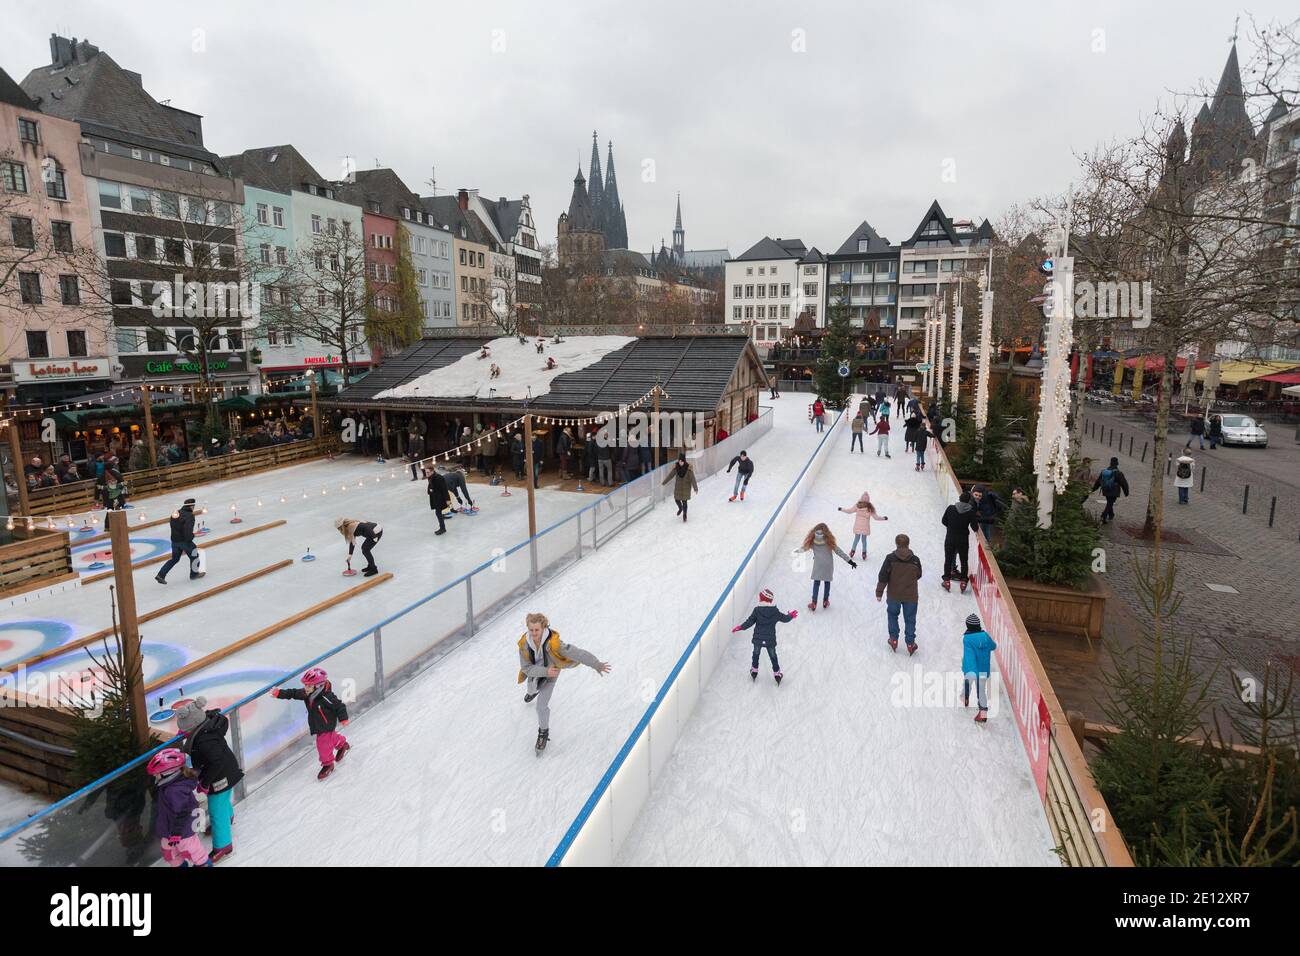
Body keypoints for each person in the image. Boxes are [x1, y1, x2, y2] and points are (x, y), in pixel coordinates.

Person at [515, 612, 610, 755]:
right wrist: (544, 672)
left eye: (537, 630)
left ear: (543, 628)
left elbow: (577, 653)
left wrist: (596, 664)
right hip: (537, 672)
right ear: (528, 629)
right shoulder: (524, 644)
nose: (534, 633)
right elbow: (526, 668)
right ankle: (531, 693)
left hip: (552, 674)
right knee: (531, 687)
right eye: (531, 630)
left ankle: (543, 733)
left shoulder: (555, 644)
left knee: (541, 706)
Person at [174, 697, 242, 863]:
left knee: (216, 808)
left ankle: (223, 845)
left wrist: (204, 783)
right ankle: (229, 818)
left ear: (192, 726)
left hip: (219, 776)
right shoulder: (207, 727)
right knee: (223, 800)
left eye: (185, 731)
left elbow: (216, 761)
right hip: (227, 770)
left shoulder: (204, 740)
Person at [270, 667, 350, 780]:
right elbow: (293, 693)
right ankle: (342, 744)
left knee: (323, 745)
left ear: (318, 686)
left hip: (326, 724)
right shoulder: (307, 693)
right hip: (317, 723)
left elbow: (340, 706)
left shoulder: (327, 697)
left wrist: (343, 718)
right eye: (305, 685)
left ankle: (328, 764)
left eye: (309, 685)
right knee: (331, 738)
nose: (305, 688)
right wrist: (279, 693)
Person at [147, 748, 211, 867]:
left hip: (182, 831)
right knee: (170, 854)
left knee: (193, 853)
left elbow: (183, 812)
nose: (154, 775)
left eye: (156, 773)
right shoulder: (167, 785)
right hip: (169, 830)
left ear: (168, 772)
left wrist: (176, 833)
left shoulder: (174, 790)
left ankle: (204, 864)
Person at [731, 587, 797, 684]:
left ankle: (754, 670)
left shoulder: (757, 610)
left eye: (760, 597)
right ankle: (777, 674)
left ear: (763, 599)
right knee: (773, 656)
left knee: (756, 654)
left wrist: (741, 627)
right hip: (770, 639)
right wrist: (791, 615)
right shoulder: (775, 612)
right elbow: (785, 619)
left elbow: (750, 622)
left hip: (758, 638)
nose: (759, 599)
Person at [876, 533, 922, 654]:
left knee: (892, 615)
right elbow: (919, 575)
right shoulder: (915, 560)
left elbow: (883, 576)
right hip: (910, 595)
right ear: (908, 544)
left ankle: (893, 639)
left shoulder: (890, 558)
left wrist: (879, 592)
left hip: (894, 595)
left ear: (896, 544)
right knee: (910, 619)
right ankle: (910, 643)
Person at [797, 522, 856, 611]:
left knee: (816, 582)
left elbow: (804, 548)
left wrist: (796, 551)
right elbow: (839, 552)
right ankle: (825, 601)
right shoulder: (829, 541)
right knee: (827, 582)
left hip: (818, 565)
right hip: (828, 565)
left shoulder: (812, 541)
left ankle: (814, 602)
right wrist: (850, 561)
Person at [155, 498, 203, 584]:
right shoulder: (189, 515)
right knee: (194, 555)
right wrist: (191, 537)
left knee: (175, 559)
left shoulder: (176, 513)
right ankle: (194, 574)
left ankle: (161, 575)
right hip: (184, 541)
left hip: (175, 541)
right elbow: (188, 530)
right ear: (192, 506)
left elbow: (172, 526)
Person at [961, 613, 998, 723]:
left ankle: (965, 697)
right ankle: (982, 712)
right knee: (981, 691)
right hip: (983, 670)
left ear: (968, 626)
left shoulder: (967, 639)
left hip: (971, 670)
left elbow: (969, 656)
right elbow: (994, 646)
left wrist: (971, 671)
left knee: (967, 682)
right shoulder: (985, 636)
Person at [941, 492, 978, 591]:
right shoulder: (971, 512)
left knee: (948, 559)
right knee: (964, 560)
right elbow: (975, 527)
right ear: (968, 500)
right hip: (963, 539)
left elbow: (944, 521)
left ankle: (946, 580)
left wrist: (951, 527)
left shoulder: (951, 508)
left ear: (959, 498)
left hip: (950, 538)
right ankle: (963, 581)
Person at [839, 491, 887, 560]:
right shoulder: (870, 508)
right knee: (864, 540)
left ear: (861, 498)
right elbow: (876, 518)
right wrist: (884, 518)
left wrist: (841, 509)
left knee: (856, 539)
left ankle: (852, 551)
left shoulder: (857, 505)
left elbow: (849, 511)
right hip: (865, 528)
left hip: (857, 526)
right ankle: (864, 553)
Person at [1091, 456, 1130, 524]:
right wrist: (1126, 492)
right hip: (1114, 491)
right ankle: (1104, 515)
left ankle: (1111, 514)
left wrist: (1093, 489)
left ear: (1110, 463)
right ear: (1117, 463)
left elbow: (1098, 481)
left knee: (1109, 502)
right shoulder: (1118, 473)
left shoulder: (1104, 471)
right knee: (1110, 503)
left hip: (1105, 489)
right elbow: (1124, 483)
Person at [662, 452, 699, 521]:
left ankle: (684, 515)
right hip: (678, 487)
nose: (680, 463)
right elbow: (670, 475)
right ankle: (680, 508)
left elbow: (693, 479)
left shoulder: (688, 469)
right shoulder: (676, 468)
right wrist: (664, 482)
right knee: (676, 499)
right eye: (679, 461)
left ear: (684, 461)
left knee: (684, 502)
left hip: (686, 488)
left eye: (681, 461)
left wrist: (695, 488)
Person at [426, 466, 450, 535]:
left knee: (438, 512)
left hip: (440, 498)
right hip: (435, 498)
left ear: (432, 471)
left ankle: (442, 528)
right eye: (426, 472)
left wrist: (447, 499)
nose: (426, 474)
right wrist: (430, 491)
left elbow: (444, 489)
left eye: (428, 472)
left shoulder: (439, 478)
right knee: (438, 512)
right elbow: (430, 487)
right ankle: (442, 527)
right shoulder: (430, 477)